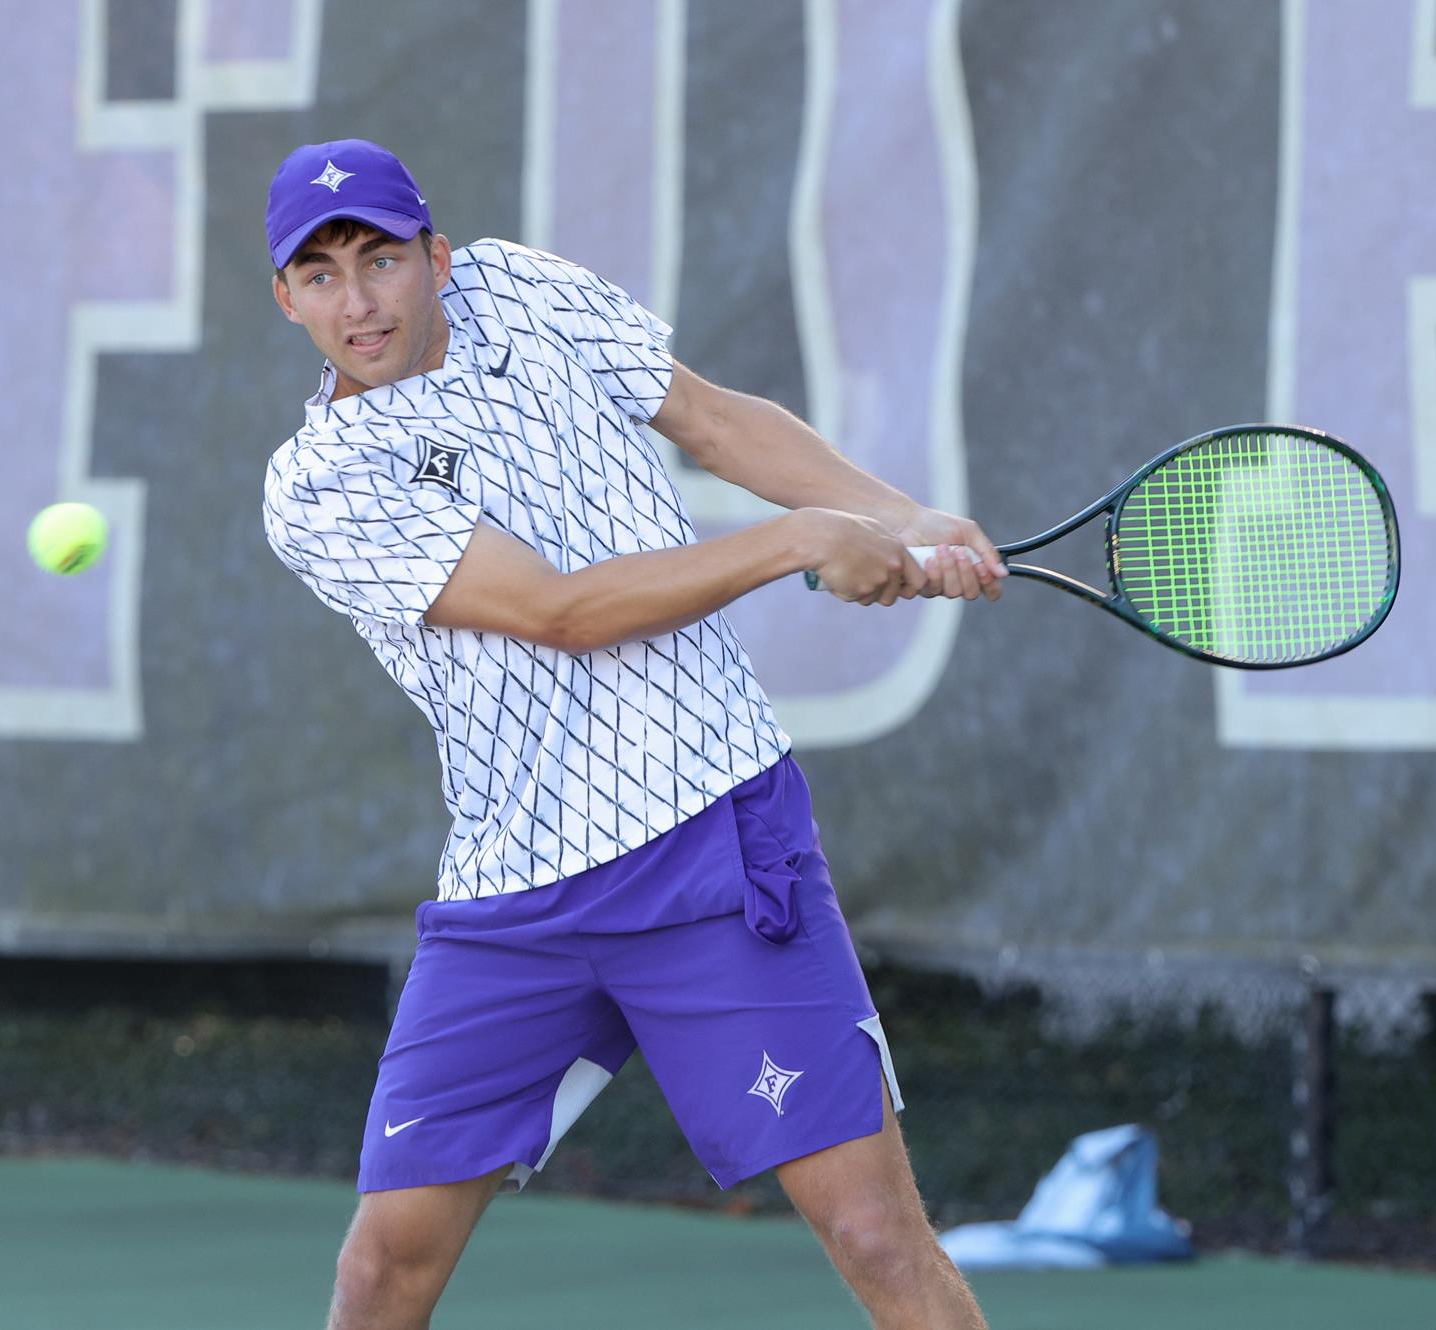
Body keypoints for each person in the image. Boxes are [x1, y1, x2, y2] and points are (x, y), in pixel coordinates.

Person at [261, 137, 1003, 1330]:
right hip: (513, 898)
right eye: (323, 273)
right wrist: (802, 538)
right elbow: (562, 613)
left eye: (382, 259)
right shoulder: (318, 484)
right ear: (287, 298)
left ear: (435, 258)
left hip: (711, 839)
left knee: (875, 1235)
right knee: (379, 1273)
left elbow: (708, 419)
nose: (359, 300)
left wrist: (897, 516)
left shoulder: (524, 289)